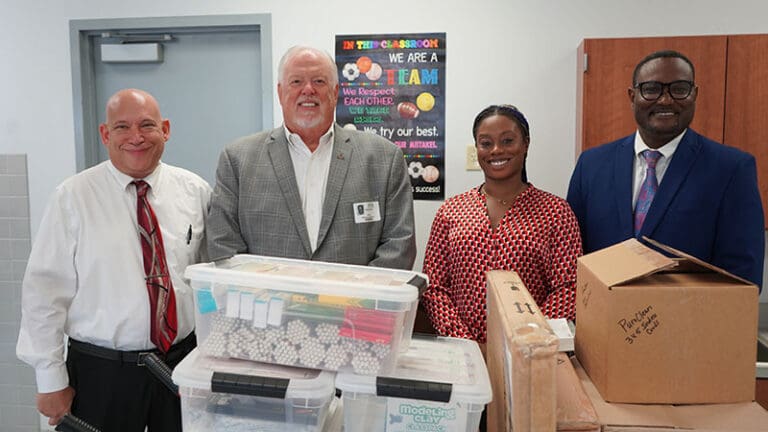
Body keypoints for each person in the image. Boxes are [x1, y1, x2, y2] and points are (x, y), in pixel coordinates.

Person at [16, 89, 212, 431]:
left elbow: (211, 281)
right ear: (106, 135)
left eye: (147, 125)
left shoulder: (195, 191)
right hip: (101, 373)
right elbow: (43, 294)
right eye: (122, 127)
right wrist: (50, 379)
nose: (135, 137)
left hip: (181, 368)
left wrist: (209, 363)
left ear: (165, 129)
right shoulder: (73, 197)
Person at [567, 50, 765, 289]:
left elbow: (742, 276)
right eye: (651, 89)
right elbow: (572, 258)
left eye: (679, 88)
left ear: (694, 94)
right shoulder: (591, 165)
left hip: (691, 321)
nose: (665, 100)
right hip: (603, 319)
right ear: (632, 96)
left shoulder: (731, 169)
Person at [207, 46, 416, 269]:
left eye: (319, 81)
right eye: (296, 82)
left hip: (353, 303)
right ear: (280, 92)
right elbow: (224, 246)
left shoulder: (384, 158)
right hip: (268, 302)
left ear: (335, 92)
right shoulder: (238, 160)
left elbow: (398, 247)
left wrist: (355, 301)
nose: (308, 90)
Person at [421, 104, 582, 344]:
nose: (496, 150)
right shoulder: (451, 211)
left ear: (525, 144)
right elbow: (434, 288)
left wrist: (526, 341)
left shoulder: (556, 212)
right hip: (462, 353)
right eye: (486, 143)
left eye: (507, 141)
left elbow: (569, 287)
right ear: (477, 148)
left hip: (532, 354)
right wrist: (466, 343)